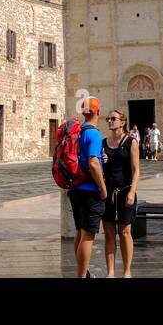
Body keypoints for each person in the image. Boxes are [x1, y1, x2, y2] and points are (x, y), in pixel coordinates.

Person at [69, 97, 107, 277]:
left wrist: (101, 157)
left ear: (83, 112)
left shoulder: (78, 131)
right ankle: (82, 275)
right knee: (88, 235)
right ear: (97, 112)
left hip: (75, 188)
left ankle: (82, 272)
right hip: (90, 190)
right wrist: (103, 188)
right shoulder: (94, 133)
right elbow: (93, 164)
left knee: (80, 231)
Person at [101, 110, 140, 277]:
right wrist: (102, 161)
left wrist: (132, 191)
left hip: (125, 192)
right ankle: (110, 272)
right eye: (108, 119)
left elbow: (136, 170)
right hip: (107, 193)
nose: (110, 121)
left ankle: (127, 271)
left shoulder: (131, 142)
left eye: (113, 118)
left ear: (122, 122)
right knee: (109, 234)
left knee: (125, 233)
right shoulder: (103, 143)